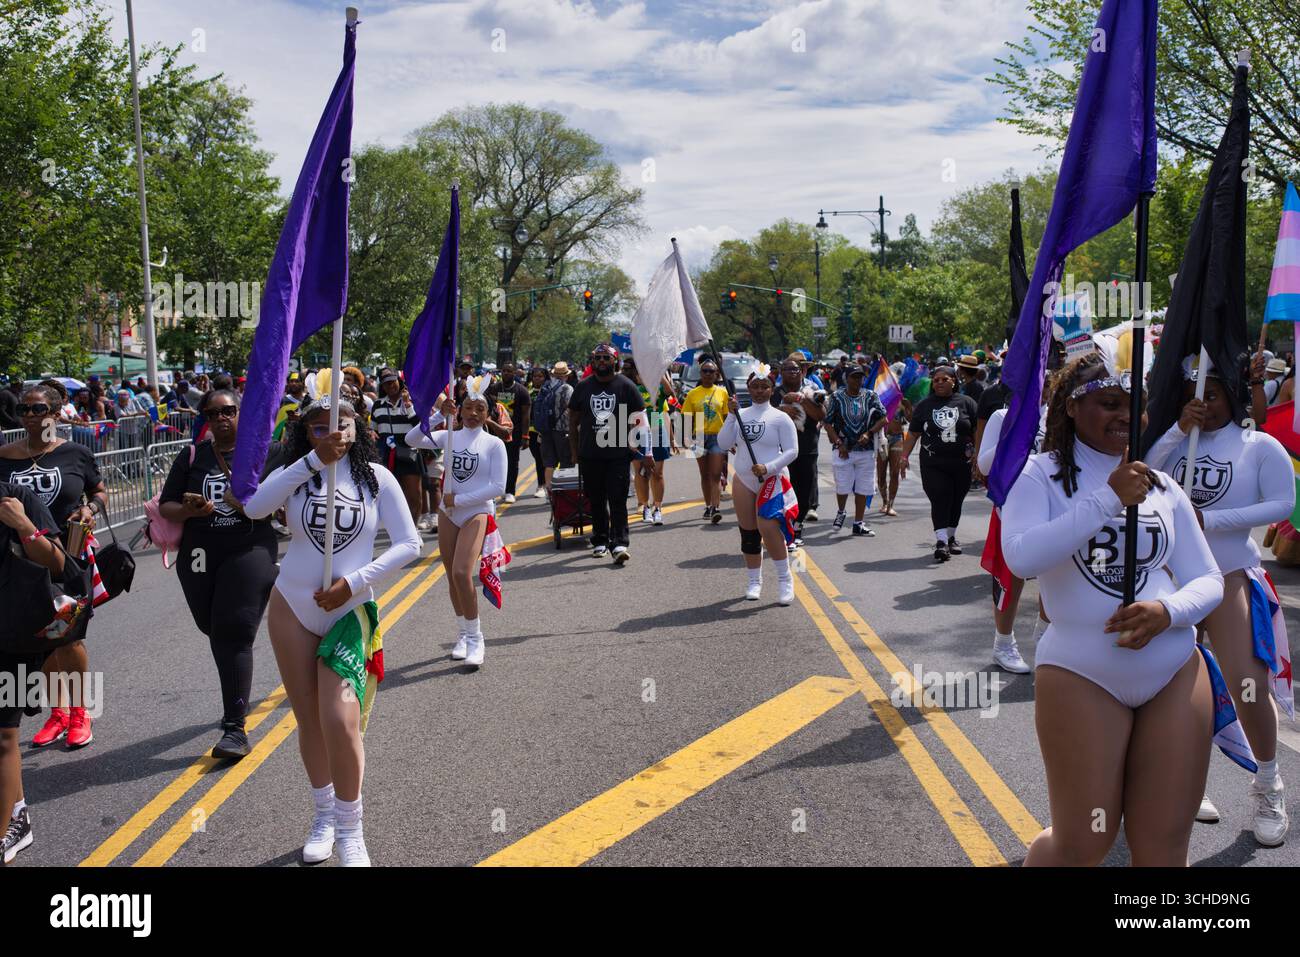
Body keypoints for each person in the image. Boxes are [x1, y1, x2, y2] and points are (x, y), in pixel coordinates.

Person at [1001, 352, 1224, 866]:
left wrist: (1167, 612)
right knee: (1083, 844)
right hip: (1082, 673)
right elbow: (1021, 557)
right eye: (1109, 403)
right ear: (1072, 408)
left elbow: (1207, 578)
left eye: (1134, 405)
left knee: (1163, 848)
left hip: (1173, 672)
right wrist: (1106, 499)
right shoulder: (1040, 475)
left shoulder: (1163, 486)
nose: (1126, 415)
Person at [239, 395, 421, 866]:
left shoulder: (378, 480)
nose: (329, 434)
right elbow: (256, 508)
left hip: (349, 613)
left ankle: (351, 828)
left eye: (338, 425)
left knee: (340, 721)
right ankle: (323, 816)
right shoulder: (298, 475)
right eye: (317, 427)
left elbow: (410, 544)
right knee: (310, 721)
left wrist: (355, 584)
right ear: (306, 433)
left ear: (355, 427)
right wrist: (310, 461)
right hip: (292, 608)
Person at [1145, 360, 1296, 846]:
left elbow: (1281, 503)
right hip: (1172, 581)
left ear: (1231, 394)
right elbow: (1142, 474)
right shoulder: (1176, 440)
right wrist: (1175, 430)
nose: (1203, 403)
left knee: (1248, 683)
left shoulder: (1259, 445)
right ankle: (1191, 784)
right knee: (1173, 688)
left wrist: (1211, 520)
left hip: (1230, 576)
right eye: (1193, 393)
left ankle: (1269, 784)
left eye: (1212, 394)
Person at [157, 389, 279, 760]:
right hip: (199, 553)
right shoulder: (193, 455)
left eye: (228, 411)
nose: (221, 418)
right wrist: (192, 509)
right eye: (212, 414)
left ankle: (234, 729)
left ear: (240, 412)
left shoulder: (266, 452)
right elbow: (167, 506)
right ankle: (234, 678)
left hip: (249, 547)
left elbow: (283, 500)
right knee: (213, 627)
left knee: (233, 632)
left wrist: (248, 505)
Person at [0, 385, 106, 750]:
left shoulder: (75, 453)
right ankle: (57, 713)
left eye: (38, 408)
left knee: (69, 635)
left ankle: (81, 712)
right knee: (40, 639)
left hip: (67, 556)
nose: (30, 415)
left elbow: (100, 492)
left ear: (57, 413)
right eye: (24, 409)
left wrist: (89, 511)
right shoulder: (4, 457)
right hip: (20, 564)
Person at [405, 376, 507, 667]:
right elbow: (411, 440)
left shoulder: (494, 444)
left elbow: (498, 487)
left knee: (463, 573)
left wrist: (459, 501)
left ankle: (476, 638)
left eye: (480, 409)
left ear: (488, 414)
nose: (474, 413)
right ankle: (462, 633)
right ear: (459, 410)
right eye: (468, 407)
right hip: (448, 515)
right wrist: (439, 415)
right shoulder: (449, 435)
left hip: (476, 512)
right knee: (451, 575)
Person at [0, 480, 70, 865]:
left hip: (14, 632)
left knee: (4, 733)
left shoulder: (17, 498)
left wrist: (23, 525)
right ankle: (18, 814)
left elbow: (57, 563)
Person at [976, 379, 1049, 674]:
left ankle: (1046, 636)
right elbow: (984, 465)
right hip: (1012, 507)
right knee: (1011, 578)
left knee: (1056, 575)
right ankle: (1003, 643)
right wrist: (1015, 431)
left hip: (1052, 505)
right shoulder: (1002, 417)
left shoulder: (1061, 416)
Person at [716, 365, 799, 604]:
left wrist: (769, 467)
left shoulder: (780, 417)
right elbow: (723, 443)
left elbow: (793, 451)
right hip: (744, 479)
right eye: (755, 387)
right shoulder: (740, 414)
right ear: (748, 389)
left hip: (772, 479)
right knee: (749, 533)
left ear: (772, 389)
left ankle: (785, 579)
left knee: (769, 528)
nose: (760, 391)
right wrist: (731, 416)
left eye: (765, 386)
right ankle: (754, 581)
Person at [568, 344, 645, 563]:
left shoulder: (627, 386)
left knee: (617, 499)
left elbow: (639, 419)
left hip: (618, 455)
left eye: (606, 357)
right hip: (589, 454)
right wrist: (574, 452)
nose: (602, 361)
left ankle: (619, 543)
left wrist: (635, 445)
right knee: (596, 500)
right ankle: (600, 540)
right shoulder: (582, 387)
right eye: (598, 357)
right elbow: (572, 422)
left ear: (615, 361)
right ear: (592, 361)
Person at [901, 366, 978, 562]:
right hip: (933, 462)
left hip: (962, 462)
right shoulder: (925, 406)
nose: (940, 382)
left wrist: (979, 455)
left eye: (944, 379)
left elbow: (977, 431)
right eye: (936, 380)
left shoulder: (967, 403)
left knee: (956, 500)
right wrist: (904, 457)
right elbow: (913, 434)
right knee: (940, 496)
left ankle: (951, 536)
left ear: (954, 381)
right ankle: (941, 541)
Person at [822, 364, 888, 537]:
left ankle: (859, 523)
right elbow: (827, 422)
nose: (857, 380)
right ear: (846, 378)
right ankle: (841, 511)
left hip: (865, 450)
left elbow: (883, 418)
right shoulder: (836, 397)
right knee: (843, 486)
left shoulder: (870, 396)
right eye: (854, 376)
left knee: (863, 488)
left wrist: (869, 433)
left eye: (860, 377)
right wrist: (838, 441)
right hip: (843, 449)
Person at [774, 355, 825, 545]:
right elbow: (764, 414)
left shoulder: (812, 390)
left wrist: (801, 400)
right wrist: (782, 407)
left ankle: (797, 526)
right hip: (780, 451)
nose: (793, 372)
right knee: (785, 491)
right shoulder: (774, 392)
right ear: (781, 373)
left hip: (807, 449)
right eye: (789, 369)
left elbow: (821, 415)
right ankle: (785, 529)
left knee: (804, 494)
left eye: (796, 369)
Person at [370, 369, 424, 527]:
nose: (390, 385)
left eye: (393, 381)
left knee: (414, 495)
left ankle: (414, 529)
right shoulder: (378, 405)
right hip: (387, 454)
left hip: (409, 452)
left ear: (399, 382)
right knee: (392, 496)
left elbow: (420, 426)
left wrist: (408, 406)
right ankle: (398, 529)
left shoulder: (413, 401)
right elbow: (372, 428)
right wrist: (371, 432)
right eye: (386, 383)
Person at [625, 358, 675, 526]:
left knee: (657, 472)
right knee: (640, 472)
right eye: (640, 374)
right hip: (637, 432)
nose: (643, 377)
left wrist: (659, 373)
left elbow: (671, 392)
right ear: (636, 376)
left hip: (657, 431)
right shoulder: (631, 390)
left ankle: (658, 508)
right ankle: (645, 506)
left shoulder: (658, 389)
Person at [680, 358, 729, 524]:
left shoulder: (722, 392)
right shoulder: (693, 394)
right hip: (699, 435)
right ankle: (708, 505)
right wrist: (686, 437)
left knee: (715, 474)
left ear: (716, 374)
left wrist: (731, 439)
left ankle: (715, 507)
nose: (708, 374)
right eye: (705, 371)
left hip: (717, 436)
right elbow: (687, 416)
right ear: (700, 374)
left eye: (711, 371)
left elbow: (727, 417)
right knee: (705, 474)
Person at [488, 362, 530, 504]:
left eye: (509, 371)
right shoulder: (493, 389)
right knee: (494, 462)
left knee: (512, 462)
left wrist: (525, 435)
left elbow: (525, 415)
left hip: (514, 432)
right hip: (494, 432)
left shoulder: (522, 391)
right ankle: (494, 491)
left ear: (514, 373)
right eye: (504, 370)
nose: (506, 373)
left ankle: (510, 491)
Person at [536, 361, 574, 494]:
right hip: (562, 430)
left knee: (549, 463)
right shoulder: (567, 389)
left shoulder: (545, 387)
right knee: (565, 462)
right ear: (566, 375)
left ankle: (549, 492)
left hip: (546, 431)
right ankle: (563, 491)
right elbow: (572, 409)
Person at [526, 367, 550, 499]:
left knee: (547, 459)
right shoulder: (528, 392)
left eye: (540, 376)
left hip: (546, 431)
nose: (537, 378)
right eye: (535, 376)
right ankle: (541, 485)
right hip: (532, 431)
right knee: (538, 459)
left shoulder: (549, 392)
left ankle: (547, 485)